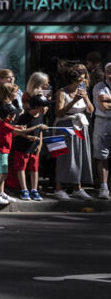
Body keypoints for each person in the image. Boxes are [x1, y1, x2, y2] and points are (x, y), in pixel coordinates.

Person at [0, 103, 45, 204]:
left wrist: (20, 128)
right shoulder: (4, 124)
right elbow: (22, 131)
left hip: (3, 151)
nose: (15, 116)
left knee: (3, 173)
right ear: (8, 115)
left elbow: (14, 129)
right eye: (13, 115)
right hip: (1, 152)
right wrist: (37, 126)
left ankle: (0, 193)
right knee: (3, 174)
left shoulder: (3, 123)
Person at [53, 68, 94, 201]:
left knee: (80, 155)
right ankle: (59, 188)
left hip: (80, 125)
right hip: (65, 125)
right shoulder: (62, 92)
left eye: (84, 79)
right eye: (81, 80)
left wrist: (86, 98)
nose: (84, 82)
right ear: (72, 80)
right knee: (64, 156)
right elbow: (59, 113)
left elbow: (90, 110)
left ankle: (78, 187)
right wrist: (74, 100)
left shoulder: (83, 91)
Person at [12, 95, 50, 201]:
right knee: (21, 168)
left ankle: (34, 189)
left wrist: (40, 144)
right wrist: (28, 136)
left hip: (34, 147)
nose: (46, 108)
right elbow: (16, 131)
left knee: (34, 168)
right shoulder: (24, 117)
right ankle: (24, 189)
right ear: (37, 107)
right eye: (44, 106)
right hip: (22, 147)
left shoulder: (41, 116)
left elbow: (41, 131)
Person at [92, 62, 111, 200]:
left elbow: (107, 101)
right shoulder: (99, 86)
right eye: (109, 71)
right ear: (105, 73)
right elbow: (104, 106)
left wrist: (109, 99)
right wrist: (106, 102)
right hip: (103, 122)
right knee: (102, 155)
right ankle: (104, 186)